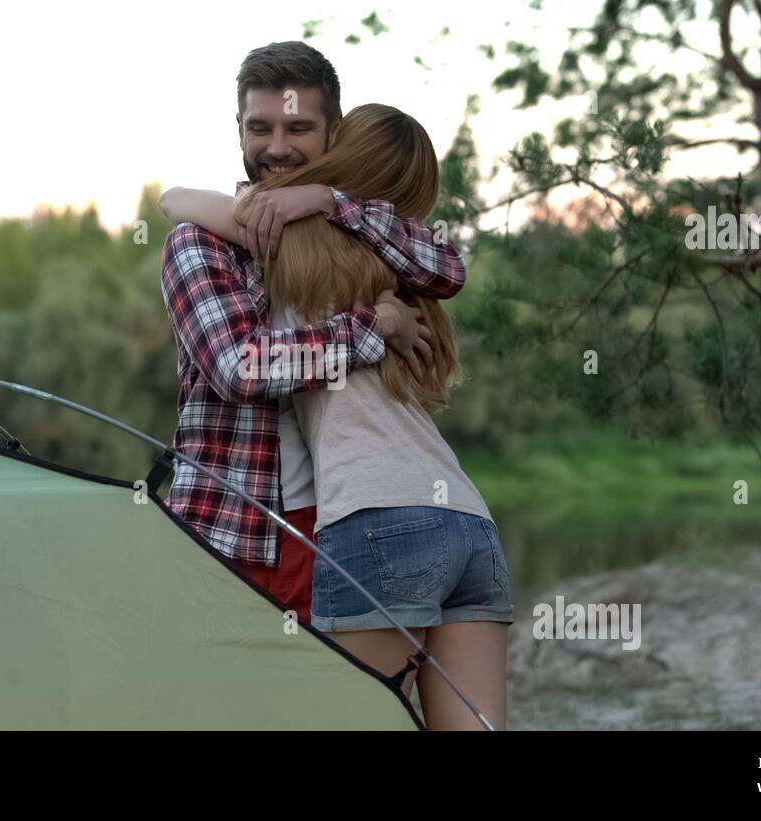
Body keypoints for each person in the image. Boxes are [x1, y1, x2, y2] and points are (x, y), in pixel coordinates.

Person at [160, 102, 513, 731]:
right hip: (470, 524)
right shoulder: (398, 273)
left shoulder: (305, 253)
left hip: (376, 517)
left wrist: (179, 195)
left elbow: (203, 212)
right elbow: (450, 266)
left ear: (342, 155)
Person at [158, 41, 466, 626]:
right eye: (260, 128)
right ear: (239, 130)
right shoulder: (201, 241)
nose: (276, 148)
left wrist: (330, 199)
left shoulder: (358, 231)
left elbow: (447, 268)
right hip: (237, 528)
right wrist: (377, 328)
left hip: (350, 522)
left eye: (298, 127)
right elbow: (240, 368)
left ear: (335, 133)